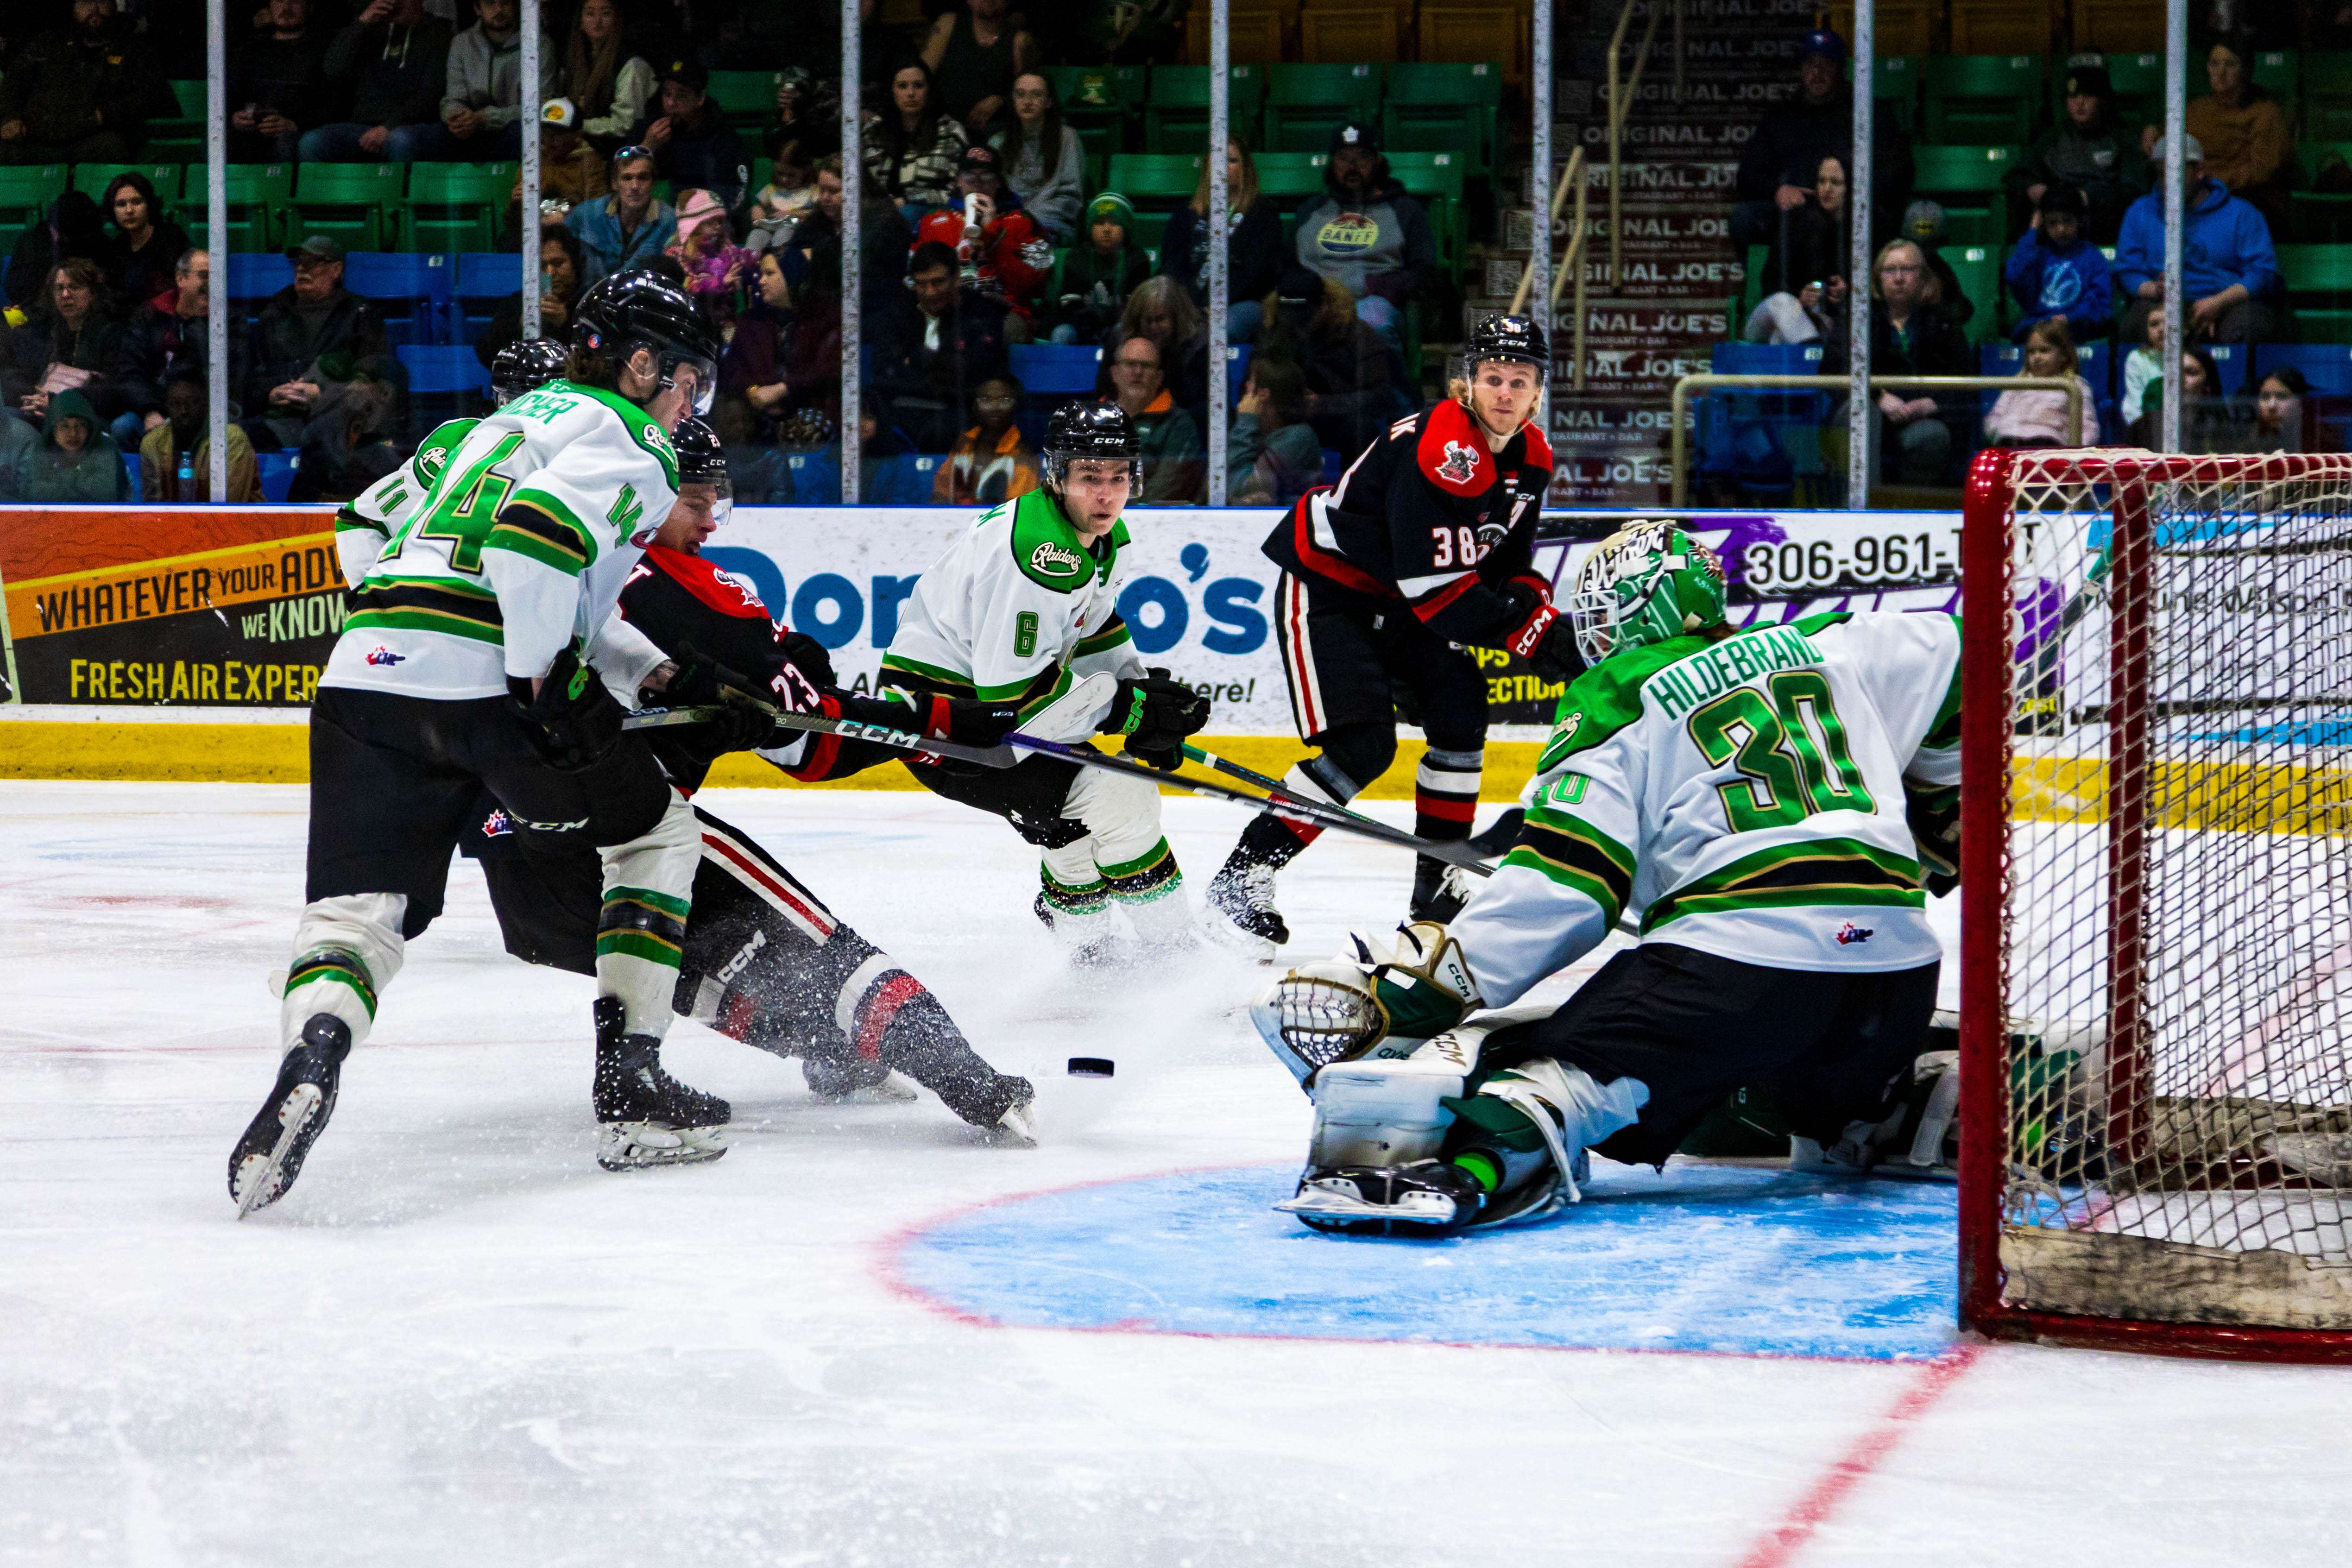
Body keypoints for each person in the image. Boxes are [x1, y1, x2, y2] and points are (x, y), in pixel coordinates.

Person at [1251, 526, 1960, 1237]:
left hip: (1738, 967)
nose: (1594, 638)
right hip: (1895, 972)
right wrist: (1937, 804)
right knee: (1802, 1083)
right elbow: (1965, 656)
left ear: (1646, 610)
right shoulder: (1839, 644)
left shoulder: (1620, 693)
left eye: (1604, 616)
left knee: (1545, 1073)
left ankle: (1475, 1169)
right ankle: (1882, 1106)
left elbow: (1565, 885)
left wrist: (1435, 986)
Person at [227, 271, 731, 1215]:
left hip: (366, 672)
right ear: (640, 362)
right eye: (687, 378)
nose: (688, 402)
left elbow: (364, 523)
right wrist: (538, 678)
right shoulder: (637, 439)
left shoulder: (476, 431)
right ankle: (634, 1094)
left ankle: (316, 1049)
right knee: (654, 836)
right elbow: (536, 543)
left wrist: (631, 663)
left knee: (356, 911)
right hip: (490, 690)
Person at [448, 418, 1040, 1142]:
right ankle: (973, 1082)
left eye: (714, 503)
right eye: (694, 502)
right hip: (620, 829)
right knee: (823, 955)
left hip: (512, 862)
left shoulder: (541, 557)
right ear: (644, 494)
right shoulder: (699, 590)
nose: (707, 522)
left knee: (708, 977)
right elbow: (810, 749)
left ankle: (835, 1056)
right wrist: (942, 719)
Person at [1205, 315, 1571, 954]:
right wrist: (1547, 641)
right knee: (1362, 746)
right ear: (1467, 384)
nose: (1505, 394)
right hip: (1332, 587)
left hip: (1406, 598)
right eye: (1492, 379)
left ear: (1538, 390)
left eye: (1519, 381)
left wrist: (1528, 601)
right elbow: (1446, 600)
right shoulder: (1444, 450)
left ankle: (1435, 891)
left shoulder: (1533, 457)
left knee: (1460, 715)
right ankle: (1242, 878)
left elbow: (1504, 563)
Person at [880, 403, 1213, 958]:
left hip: (976, 719)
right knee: (1119, 795)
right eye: (1089, 478)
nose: (1106, 495)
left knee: (1070, 826)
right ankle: (1175, 958)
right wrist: (1128, 711)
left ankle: (1091, 959)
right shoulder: (1042, 554)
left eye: (1118, 477)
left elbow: (1092, 626)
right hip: (948, 729)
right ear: (1058, 476)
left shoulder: (1101, 539)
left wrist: (1145, 694)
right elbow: (1012, 699)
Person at [1731, 28, 1914, 254]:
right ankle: (1775, 287)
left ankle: (1868, 287)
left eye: (1826, 64)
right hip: (1796, 213)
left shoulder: (1869, 111)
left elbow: (1899, 172)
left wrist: (1849, 196)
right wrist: (1778, 190)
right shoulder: (1780, 116)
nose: (1817, 73)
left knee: (1882, 219)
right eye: (1810, 64)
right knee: (1745, 218)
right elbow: (1747, 176)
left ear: (1842, 69)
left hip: (1851, 211)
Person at [1823, 239, 1973, 487]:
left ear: (1923, 277)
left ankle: (1906, 513)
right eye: (1890, 270)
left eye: (1908, 269)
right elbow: (1832, 372)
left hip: (1917, 421)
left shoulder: (1944, 323)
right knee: (1864, 414)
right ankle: (1863, 509)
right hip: (1866, 415)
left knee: (1932, 435)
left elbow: (1965, 384)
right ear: (1878, 278)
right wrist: (1877, 396)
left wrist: (1931, 404)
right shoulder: (1857, 318)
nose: (1899, 278)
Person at [1291, 123, 1437, 368]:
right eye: (1343, 158)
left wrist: (1379, 286)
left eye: (1361, 158)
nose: (1352, 166)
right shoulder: (1310, 211)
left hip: (1373, 300)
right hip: (1317, 303)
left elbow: (1426, 272)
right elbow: (1287, 266)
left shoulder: (1405, 210)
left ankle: (1389, 400)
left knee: (1372, 318)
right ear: (1333, 164)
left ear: (1378, 161)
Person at [2114, 134, 2279, 346]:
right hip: (2163, 302)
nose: (2167, 182)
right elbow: (2128, 271)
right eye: (2160, 174)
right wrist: (2154, 289)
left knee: (2248, 326)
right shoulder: (2140, 212)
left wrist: (2219, 302)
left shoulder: (2242, 213)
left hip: (2226, 301)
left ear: (2200, 170)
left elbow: (2262, 274)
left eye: (2174, 173)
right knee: (2136, 324)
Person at [240, 236, 393, 452]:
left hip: (337, 421)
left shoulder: (361, 314)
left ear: (336, 270)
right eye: (298, 262)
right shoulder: (274, 313)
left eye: (313, 263)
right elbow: (252, 377)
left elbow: (374, 385)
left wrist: (322, 394)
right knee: (235, 439)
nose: (302, 269)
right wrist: (271, 393)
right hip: (282, 421)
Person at [870, 239, 1011, 453]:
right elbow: (883, 372)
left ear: (956, 279)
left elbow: (977, 377)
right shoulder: (896, 316)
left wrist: (915, 371)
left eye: (938, 282)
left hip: (957, 414)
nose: (929, 292)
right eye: (921, 284)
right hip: (901, 410)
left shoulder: (981, 315)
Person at [2004, 57, 2151, 247]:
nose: (2080, 103)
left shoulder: (2124, 139)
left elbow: (2135, 191)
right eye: (2073, 97)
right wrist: (2033, 187)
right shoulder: (2053, 139)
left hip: (2105, 226)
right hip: (2059, 225)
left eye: (2088, 96)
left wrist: (2088, 197)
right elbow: (2019, 175)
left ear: (2102, 100)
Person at [1255, 265, 1399, 458]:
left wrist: (1321, 404)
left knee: (1361, 428)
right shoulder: (1275, 330)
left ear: (1324, 304)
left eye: (1304, 315)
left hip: (1336, 420)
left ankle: (1356, 487)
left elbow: (1379, 396)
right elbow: (1251, 386)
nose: (1297, 324)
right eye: (1290, 315)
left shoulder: (1355, 333)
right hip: (1285, 423)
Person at [0, 0, 165, 167]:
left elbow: (148, 95)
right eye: (86, 2)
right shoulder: (48, 43)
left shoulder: (133, 49)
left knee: (112, 147)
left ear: (114, 5)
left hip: (91, 140)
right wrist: (10, 118)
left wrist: (105, 115)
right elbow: (13, 83)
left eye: (102, 2)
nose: (94, 10)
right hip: (36, 139)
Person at [299, 0, 454, 164]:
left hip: (412, 127)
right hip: (364, 126)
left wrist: (389, 127)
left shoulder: (438, 35)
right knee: (311, 142)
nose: (396, 3)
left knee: (400, 140)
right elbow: (333, 71)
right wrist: (362, 23)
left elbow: (430, 94)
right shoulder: (370, 31)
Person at [1162, 138, 1285, 342]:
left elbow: (1259, 275)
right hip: (1190, 303)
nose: (1223, 166)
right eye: (1217, 159)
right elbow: (1172, 266)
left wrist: (1217, 304)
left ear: (1246, 167)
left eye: (1232, 160)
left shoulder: (1264, 212)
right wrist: (1193, 304)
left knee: (1227, 327)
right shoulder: (1186, 212)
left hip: (1241, 303)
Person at [411, 0, 558, 163]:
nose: (499, 9)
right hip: (471, 129)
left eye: (506, 3)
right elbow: (453, 98)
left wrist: (488, 117)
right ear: (477, 8)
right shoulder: (462, 43)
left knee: (523, 133)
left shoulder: (539, 45)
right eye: (490, 3)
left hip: (511, 126)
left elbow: (541, 107)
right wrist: (458, 118)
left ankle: (517, 187)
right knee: (434, 136)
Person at [2174, 38, 2291, 239]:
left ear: (2245, 71)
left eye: (2230, 65)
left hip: (2246, 199)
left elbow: (2261, 170)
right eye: (2214, 64)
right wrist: (2154, 131)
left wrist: (2212, 182)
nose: (2221, 73)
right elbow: (2172, 147)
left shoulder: (2264, 112)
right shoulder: (2195, 110)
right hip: (2197, 195)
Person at [944, 145, 1052, 341]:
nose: (977, 184)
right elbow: (915, 280)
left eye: (986, 177)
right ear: (958, 180)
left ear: (999, 183)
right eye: (970, 176)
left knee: (1003, 330)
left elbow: (1035, 284)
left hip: (1007, 312)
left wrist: (994, 235)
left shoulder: (1027, 221)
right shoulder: (934, 221)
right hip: (951, 310)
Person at [5, 259, 124, 430]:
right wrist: (35, 397)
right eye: (60, 288)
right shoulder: (43, 331)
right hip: (40, 408)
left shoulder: (111, 334)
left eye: (75, 287)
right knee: (9, 416)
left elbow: (113, 392)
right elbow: (15, 375)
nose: (66, 295)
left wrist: (59, 402)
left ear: (93, 293)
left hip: (85, 415)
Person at [1743, 154, 1850, 345]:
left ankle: (1809, 359)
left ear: (1850, 188)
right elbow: (1770, 284)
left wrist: (1846, 294)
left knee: (1781, 339)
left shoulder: (1860, 232)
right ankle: (1812, 357)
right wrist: (1799, 298)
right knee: (1783, 302)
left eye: (1836, 182)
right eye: (1822, 181)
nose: (1827, 189)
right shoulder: (1797, 223)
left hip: (1815, 325)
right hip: (1770, 318)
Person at [117, 248, 217, 447]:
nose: (211, 284)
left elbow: (232, 376)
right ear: (181, 280)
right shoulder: (149, 316)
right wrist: (151, 410)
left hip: (205, 414)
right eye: (204, 276)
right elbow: (130, 371)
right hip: (156, 410)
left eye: (217, 277)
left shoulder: (229, 321)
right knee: (123, 428)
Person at [631, 57, 751, 215]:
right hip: (658, 221)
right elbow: (625, 179)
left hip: (707, 222)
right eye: (667, 94)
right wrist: (647, 148)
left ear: (700, 99)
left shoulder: (723, 137)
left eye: (681, 96)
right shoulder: (650, 130)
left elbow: (734, 191)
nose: (671, 103)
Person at [2003, 185, 2112, 346]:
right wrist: (2032, 231)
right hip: (2039, 325)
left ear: (2079, 220)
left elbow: (2100, 301)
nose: (2061, 229)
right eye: (2053, 223)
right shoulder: (2036, 255)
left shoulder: (2092, 256)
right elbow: (2014, 276)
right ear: (2043, 224)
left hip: (2076, 324)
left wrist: (2070, 318)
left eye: (2067, 221)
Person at [227, 0, 333, 164]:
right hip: (252, 131)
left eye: (295, 1)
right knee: (215, 143)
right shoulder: (249, 51)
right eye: (279, 1)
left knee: (285, 144)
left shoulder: (326, 50)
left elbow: (334, 103)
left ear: (310, 7)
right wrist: (235, 117)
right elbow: (230, 98)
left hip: (298, 131)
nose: (287, 7)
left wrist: (296, 125)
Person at [1104, 334, 1202, 504]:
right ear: (1115, 373)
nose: (1138, 372)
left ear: (1159, 377)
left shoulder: (1178, 424)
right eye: (1130, 364)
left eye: (1147, 366)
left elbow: (1164, 491)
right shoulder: (1092, 419)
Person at [867, 60, 968, 220]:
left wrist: (907, 200)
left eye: (919, 85)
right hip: (877, 210)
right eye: (902, 86)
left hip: (930, 211)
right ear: (892, 91)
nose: (911, 93)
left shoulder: (951, 131)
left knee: (906, 214)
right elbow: (859, 181)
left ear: (929, 90)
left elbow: (957, 189)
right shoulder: (873, 130)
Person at [141, 368, 261, 504]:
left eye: (193, 403)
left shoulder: (231, 440)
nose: (184, 411)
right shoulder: (152, 443)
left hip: (236, 524)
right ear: (167, 406)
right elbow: (153, 509)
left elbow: (229, 508)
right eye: (176, 403)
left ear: (206, 403)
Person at [1107, 276, 1211, 433]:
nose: (1154, 327)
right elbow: (1106, 392)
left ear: (1176, 318)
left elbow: (1208, 406)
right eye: (1148, 321)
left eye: (1161, 319)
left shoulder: (1200, 346)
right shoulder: (1119, 341)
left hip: (1181, 428)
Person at [1047, 192, 1152, 346]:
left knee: (1124, 332)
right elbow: (1068, 305)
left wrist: (1104, 316)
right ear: (1091, 227)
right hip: (1081, 326)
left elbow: (1136, 310)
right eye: (1100, 222)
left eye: (1115, 223)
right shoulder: (1077, 256)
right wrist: (1090, 318)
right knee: (1061, 334)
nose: (1107, 229)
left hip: (1120, 327)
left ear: (1125, 228)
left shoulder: (1136, 258)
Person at [990, 71, 1083, 246]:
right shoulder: (997, 143)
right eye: (1021, 95)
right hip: (1006, 224)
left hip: (1050, 225)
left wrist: (1028, 219)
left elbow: (1071, 197)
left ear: (1049, 102)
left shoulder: (1067, 139)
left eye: (1037, 95)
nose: (1028, 102)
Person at [922, 0, 1036, 139]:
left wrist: (1001, 101)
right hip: (945, 129)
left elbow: (1033, 93)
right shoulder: (948, 24)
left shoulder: (1020, 41)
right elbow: (921, 76)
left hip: (997, 134)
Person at [568, 146, 679, 286]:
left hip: (640, 303)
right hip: (589, 301)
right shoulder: (587, 214)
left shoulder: (669, 221)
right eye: (627, 178)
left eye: (643, 178)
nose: (635, 186)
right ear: (614, 183)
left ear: (654, 183)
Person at [476, 226, 584, 370]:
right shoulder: (517, 304)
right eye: (543, 266)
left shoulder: (587, 305)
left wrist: (565, 325)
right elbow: (486, 355)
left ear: (575, 264)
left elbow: (597, 364)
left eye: (558, 264)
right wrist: (519, 327)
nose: (551, 273)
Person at [1984, 319, 2097, 449]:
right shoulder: (2018, 383)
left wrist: (2072, 453)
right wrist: (1997, 434)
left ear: (2064, 355)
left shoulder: (2075, 385)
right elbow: (1996, 415)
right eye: (2032, 352)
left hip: (2050, 448)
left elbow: (2088, 426)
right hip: (2008, 442)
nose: (2037, 357)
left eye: (2044, 351)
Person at [1227, 357, 1322, 507]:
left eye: (1251, 382)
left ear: (1263, 394)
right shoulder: (1263, 434)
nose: (1246, 386)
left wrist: (1245, 422)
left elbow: (1240, 489)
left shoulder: (1298, 439)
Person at [507, 98, 608, 239]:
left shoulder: (590, 164)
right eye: (547, 131)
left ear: (577, 136)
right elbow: (513, 221)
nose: (551, 138)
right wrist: (516, 205)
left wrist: (567, 219)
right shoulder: (533, 162)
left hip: (572, 236)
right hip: (535, 234)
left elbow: (596, 215)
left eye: (559, 132)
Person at [933, 372, 1040, 504]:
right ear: (975, 406)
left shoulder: (1024, 456)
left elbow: (1015, 510)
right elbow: (939, 497)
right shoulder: (963, 446)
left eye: (1004, 401)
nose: (995, 408)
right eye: (986, 400)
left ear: (1015, 407)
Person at [566, 0, 656, 156]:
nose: (597, 22)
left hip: (622, 152)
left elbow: (626, 124)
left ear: (617, 19)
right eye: (590, 14)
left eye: (606, 14)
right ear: (580, 21)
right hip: (591, 144)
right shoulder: (578, 59)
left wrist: (580, 126)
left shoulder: (631, 63)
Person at [97, 175, 189, 323]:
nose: (129, 210)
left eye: (137, 202)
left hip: (166, 323)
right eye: (121, 204)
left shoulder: (171, 238)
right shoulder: (119, 246)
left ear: (150, 205)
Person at [666, 189, 756, 327]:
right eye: (710, 222)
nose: (718, 227)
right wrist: (722, 282)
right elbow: (687, 286)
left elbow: (745, 256)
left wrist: (761, 249)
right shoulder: (677, 254)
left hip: (726, 323)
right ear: (693, 225)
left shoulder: (724, 249)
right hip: (693, 323)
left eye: (720, 221)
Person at [6, 192, 106, 315]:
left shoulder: (93, 241)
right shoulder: (32, 243)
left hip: (69, 314)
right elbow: (13, 291)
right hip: (31, 312)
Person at [18, 387, 124, 502]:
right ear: (53, 428)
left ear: (89, 427)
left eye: (81, 425)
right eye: (65, 426)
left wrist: (61, 482)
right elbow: (33, 494)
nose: (73, 434)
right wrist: (80, 484)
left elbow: (105, 495)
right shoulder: (43, 448)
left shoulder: (106, 447)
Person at [2128, 345, 2242, 451]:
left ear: (2208, 388)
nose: (2179, 379)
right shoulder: (2143, 428)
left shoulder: (2221, 433)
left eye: (2190, 373)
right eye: (2175, 372)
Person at [1897, 202, 1974, 332]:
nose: (1923, 253)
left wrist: (1942, 310)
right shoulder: (1895, 268)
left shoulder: (1941, 269)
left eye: (1929, 245)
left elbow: (1964, 309)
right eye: (1918, 245)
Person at [2120, 305, 2166, 428]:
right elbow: (2135, 406)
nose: (2161, 329)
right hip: (2144, 428)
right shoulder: (2137, 358)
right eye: (2154, 324)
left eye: (2168, 322)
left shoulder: (2189, 359)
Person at [2251, 367, 2309, 453]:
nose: (2272, 406)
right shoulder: (2246, 448)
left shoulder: (2319, 443)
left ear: (2300, 403)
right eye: (2265, 397)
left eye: (2281, 396)